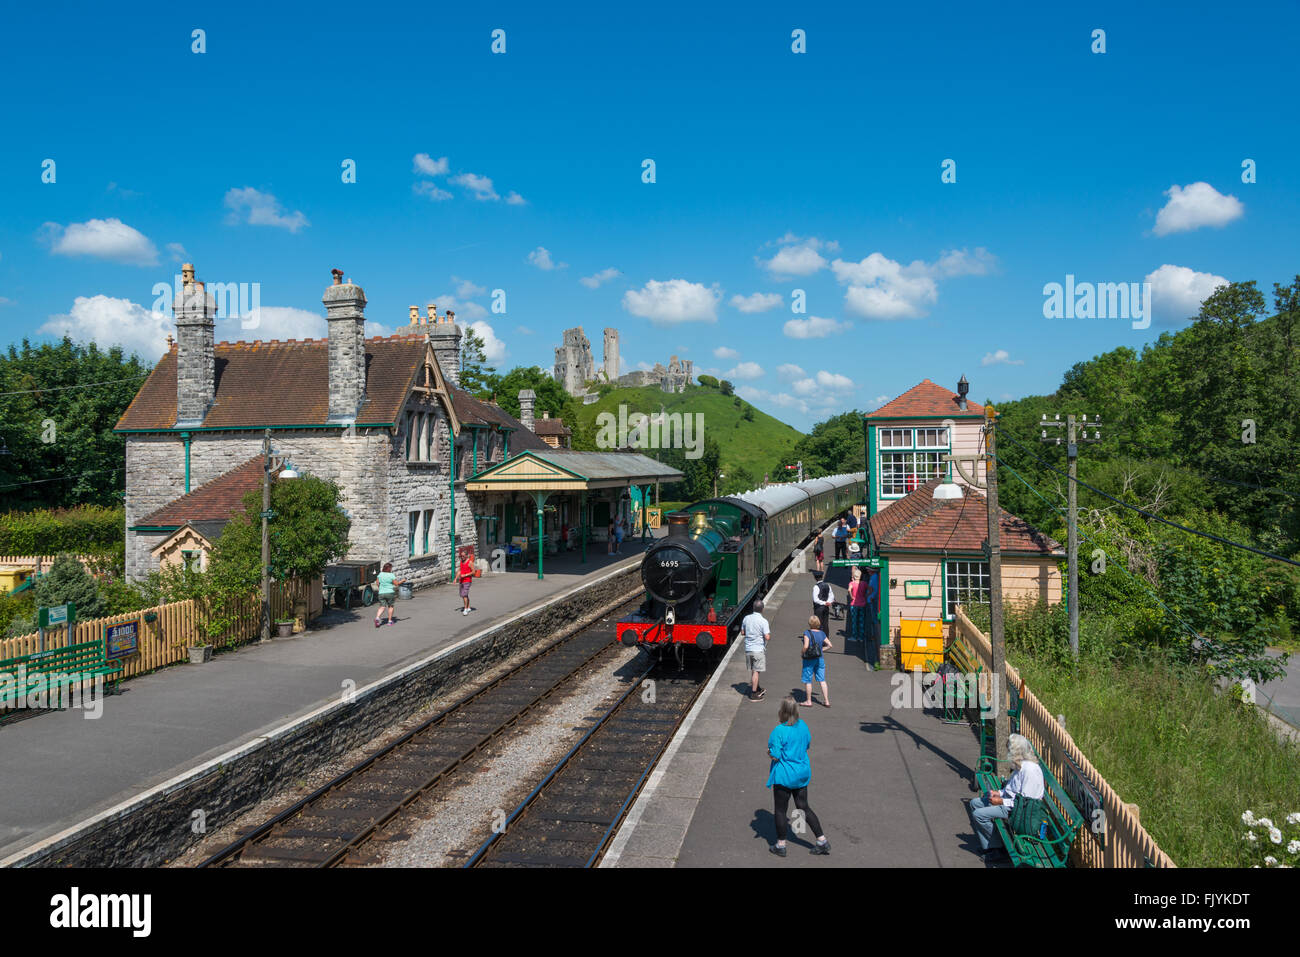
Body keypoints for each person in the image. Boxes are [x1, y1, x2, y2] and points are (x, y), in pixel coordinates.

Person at [766, 695, 830, 857]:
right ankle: (822, 840)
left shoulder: (779, 730)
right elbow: (807, 744)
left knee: (780, 810)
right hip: (801, 773)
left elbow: (776, 755)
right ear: (796, 710)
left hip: (785, 776)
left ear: (782, 711)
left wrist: (769, 753)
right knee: (803, 806)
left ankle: (781, 845)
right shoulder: (803, 726)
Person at [967, 733, 1045, 860]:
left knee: (979, 815)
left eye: (1010, 749)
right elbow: (1013, 789)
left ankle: (998, 848)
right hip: (1012, 803)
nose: (1008, 752)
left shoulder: (1030, 770)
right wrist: (999, 793)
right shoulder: (1021, 765)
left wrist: (1001, 801)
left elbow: (1024, 804)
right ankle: (990, 845)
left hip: (1020, 811)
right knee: (974, 803)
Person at [741, 599, 771, 701]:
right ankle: (754, 694)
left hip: (748, 648)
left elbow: (742, 632)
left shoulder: (746, 618)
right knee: (756, 671)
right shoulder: (763, 621)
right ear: (762, 609)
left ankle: (757, 687)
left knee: (754, 670)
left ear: (753, 608)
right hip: (758, 649)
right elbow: (767, 637)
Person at [800, 615, 832, 707]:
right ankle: (826, 701)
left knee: (808, 680)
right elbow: (830, 645)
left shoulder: (807, 633)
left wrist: (802, 653)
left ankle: (809, 701)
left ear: (810, 623)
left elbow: (806, 646)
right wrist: (821, 650)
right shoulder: (822, 633)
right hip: (820, 658)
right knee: (822, 680)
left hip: (809, 659)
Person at [374, 563, 405, 627]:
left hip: (381, 593)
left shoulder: (380, 574)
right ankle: (389, 621)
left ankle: (377, 618)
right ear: (389, 568)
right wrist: (403, 581)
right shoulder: (391, 575)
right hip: (390, 592)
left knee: (382, 607)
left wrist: (381, 588)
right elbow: (396, 584)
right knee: (391, 606)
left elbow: (377, 583)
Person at [847, 566, 868, 645]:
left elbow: (849, 590)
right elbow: (870, 589)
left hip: (854, 604)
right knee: (861, 620)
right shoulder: (864, 583)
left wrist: (851, 596)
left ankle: (854, 636)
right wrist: (866, 596)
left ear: (854, 576)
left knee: (854, 620)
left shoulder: (851, 583)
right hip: (862, 603)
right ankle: (861, 637)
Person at [864, 569, 880, 670]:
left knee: (872, 619)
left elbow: (870, 589)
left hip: (871, 599)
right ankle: (873, 634)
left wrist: (867, 596)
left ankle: (872, 635)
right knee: (873, 618)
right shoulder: (876, 576)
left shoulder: (873, 577)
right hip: (874, 598)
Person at [458, 550, 475, 616]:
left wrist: (465, 575)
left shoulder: (470, 562)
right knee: (463, 595)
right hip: (461, 580)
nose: (462, 557)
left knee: (464, 595)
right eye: (461, 556)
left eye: (463, 556)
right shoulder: (461, 561)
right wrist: (456, 578)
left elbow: (473, 572)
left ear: (466, 556)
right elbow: (460, 570)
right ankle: (468, 607)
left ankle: (465, 610)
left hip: (467, 581)